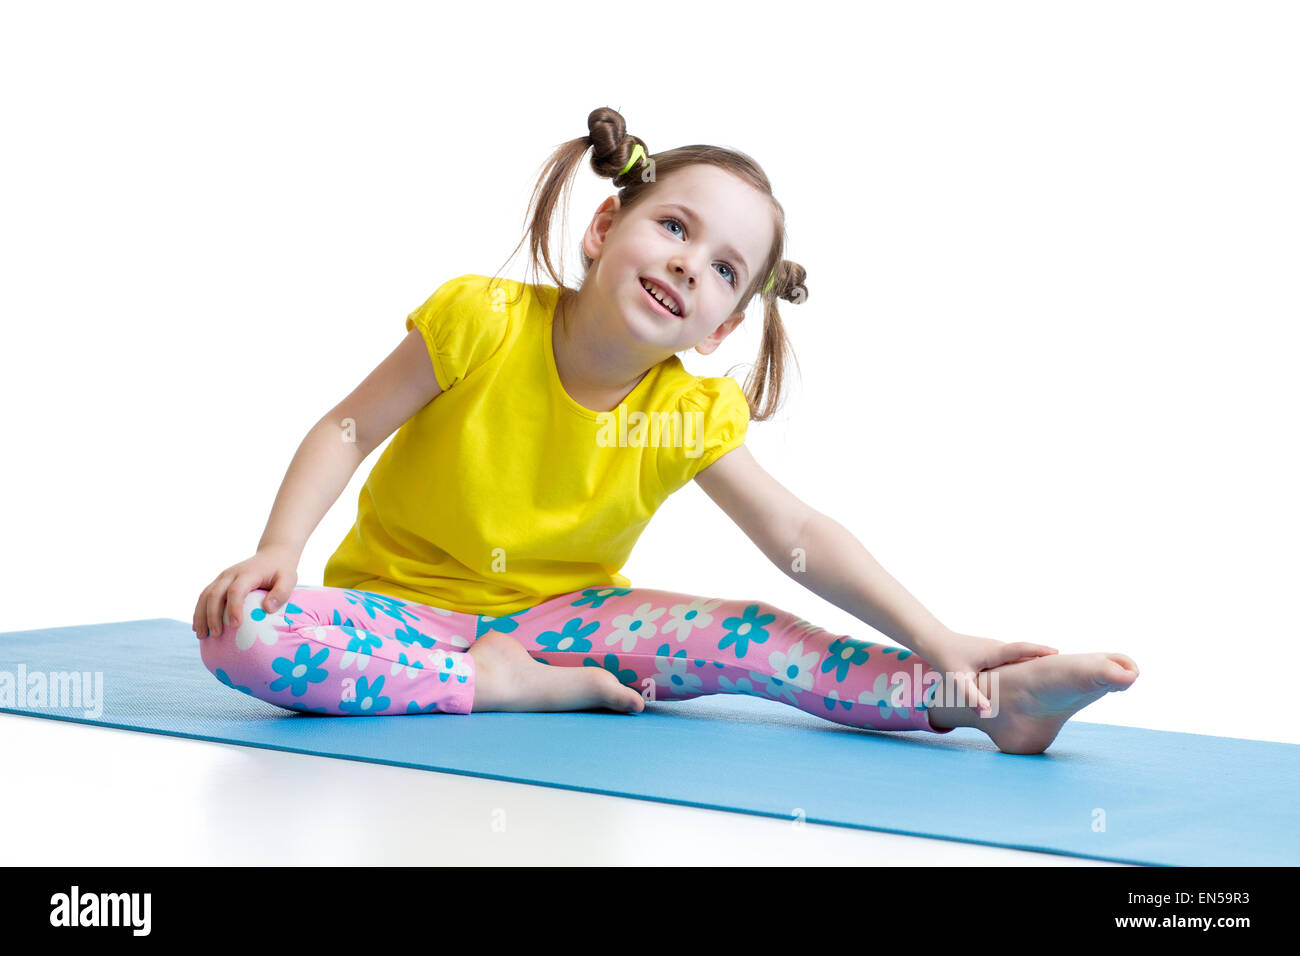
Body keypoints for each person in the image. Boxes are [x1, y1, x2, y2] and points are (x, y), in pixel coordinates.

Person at [193, 107, 1138, 754]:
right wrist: (280, 548)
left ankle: (984, 708)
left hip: (571, 626)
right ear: (605, 225)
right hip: (394, 614)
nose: (691, 266)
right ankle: (493, 684)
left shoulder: (685, 413)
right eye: (676, 229)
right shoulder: (481, 321)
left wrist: (939, 638)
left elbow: (798, 535)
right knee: (245, 637)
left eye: (725, 270)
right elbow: (348, 428)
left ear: (723, 327)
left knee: (757, 637)